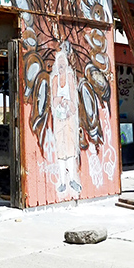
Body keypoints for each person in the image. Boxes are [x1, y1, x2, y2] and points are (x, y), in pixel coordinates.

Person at [50, 44, 82, 196]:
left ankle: (73, 179)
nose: (61, 66)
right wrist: (61, 100)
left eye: (63, 63)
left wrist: (67, 103)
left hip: (69, 118)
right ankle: (63, 182)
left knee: (70, 148)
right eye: (59, 64)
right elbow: (53, 101)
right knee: (61, 150)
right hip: (59, 119)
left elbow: (74, 101)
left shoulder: (70, 77)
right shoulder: (55, 79)